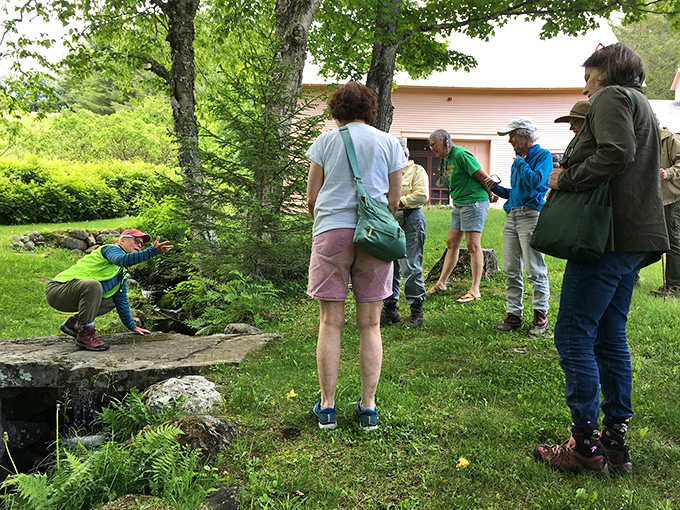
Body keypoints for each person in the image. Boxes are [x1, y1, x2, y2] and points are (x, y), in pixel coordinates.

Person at [534, 42, 669, 475]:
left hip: (607, 237)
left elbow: (615, 152)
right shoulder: (642, 103)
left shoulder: (611, 97)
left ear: (607, 71)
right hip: (635, 236)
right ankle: (614, 443)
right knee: (610, 336)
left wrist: (566, 177)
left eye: (589, 74)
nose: (586, 84)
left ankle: (585, 447)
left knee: (574, 332)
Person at [306, 81, 407, 431]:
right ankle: (368, 409)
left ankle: (328, 407)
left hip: (332, 230)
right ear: (370, 108)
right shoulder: (389, 142)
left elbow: (311, 199)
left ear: (336, 109)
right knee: (371, 323)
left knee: (330, 322)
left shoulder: (325, 141)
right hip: (375, 237)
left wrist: (330, 221)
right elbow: (394, 201)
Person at [46, 229, 174, 351]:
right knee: (93, 285)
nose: (139, 245)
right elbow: (121, 260)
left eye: (141, 244)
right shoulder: (110, 249)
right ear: (122, 241)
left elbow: (121, 300)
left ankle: (74, 324)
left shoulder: (121, 273)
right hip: (58, 290)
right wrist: (152, 252)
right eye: (136, 241)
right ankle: (85, 333)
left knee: (112, 300)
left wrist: (132, 326)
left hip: (73, 296)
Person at [485, 117, 551, 335]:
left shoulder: (542, 156)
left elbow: (537, 182)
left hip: (531, 216)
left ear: (525, 134)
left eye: (512, 136)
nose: (510, 141)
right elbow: (517, 192)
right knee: (511, 269)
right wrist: (497, 188)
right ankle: (514, 315)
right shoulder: (520, 160)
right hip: (512, 215)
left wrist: (520, 163)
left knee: (534, 267)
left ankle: (540, 315)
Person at [426, 130, 492, 303]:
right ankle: (441, 283)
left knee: (472, 244)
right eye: (430, 145)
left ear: (445, 141)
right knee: (451, 243)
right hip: (460, 203)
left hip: (475, 201)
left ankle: (475, 289)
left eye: (434, 144)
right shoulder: (446, 159)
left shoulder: (461, 154)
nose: (432, 148)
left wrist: (491, 192)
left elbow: (480, 174)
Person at [380, 138, 429, 328]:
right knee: (389, 266)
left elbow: (422, 195)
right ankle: (390, 309)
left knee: (410, 265)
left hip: (410, 218)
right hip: (388, 220)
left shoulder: (417, 171)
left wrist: (397, 201)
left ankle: (417, 310)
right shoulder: (386, 172)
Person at [650, 127, 680, 297]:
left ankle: (675, 286)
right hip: (654, 199)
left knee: (674, 241)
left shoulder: (671, 139)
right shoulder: (642, 140)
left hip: (674, 197)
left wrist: (667, 172)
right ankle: (631, 277)